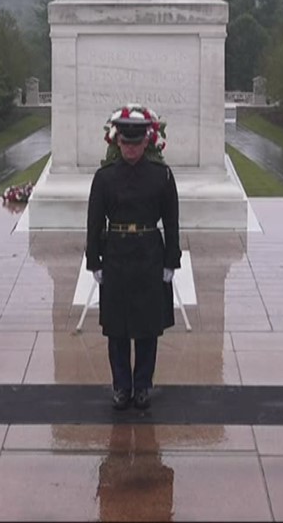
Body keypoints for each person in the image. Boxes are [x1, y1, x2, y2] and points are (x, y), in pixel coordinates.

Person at [86, 114, 181, 411]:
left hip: (148, 255)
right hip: (116, 255)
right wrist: (94, 260)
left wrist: (171, 260)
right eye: (125, 144)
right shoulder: (104, 178)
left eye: (135, 144)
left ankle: (142, 385)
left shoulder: (161, 176)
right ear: (118, 142)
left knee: (146, 326)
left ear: (145, 143)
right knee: (117, 328)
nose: (130, 149)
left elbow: (172, 221)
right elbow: (93, 222)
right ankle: (121, 386)